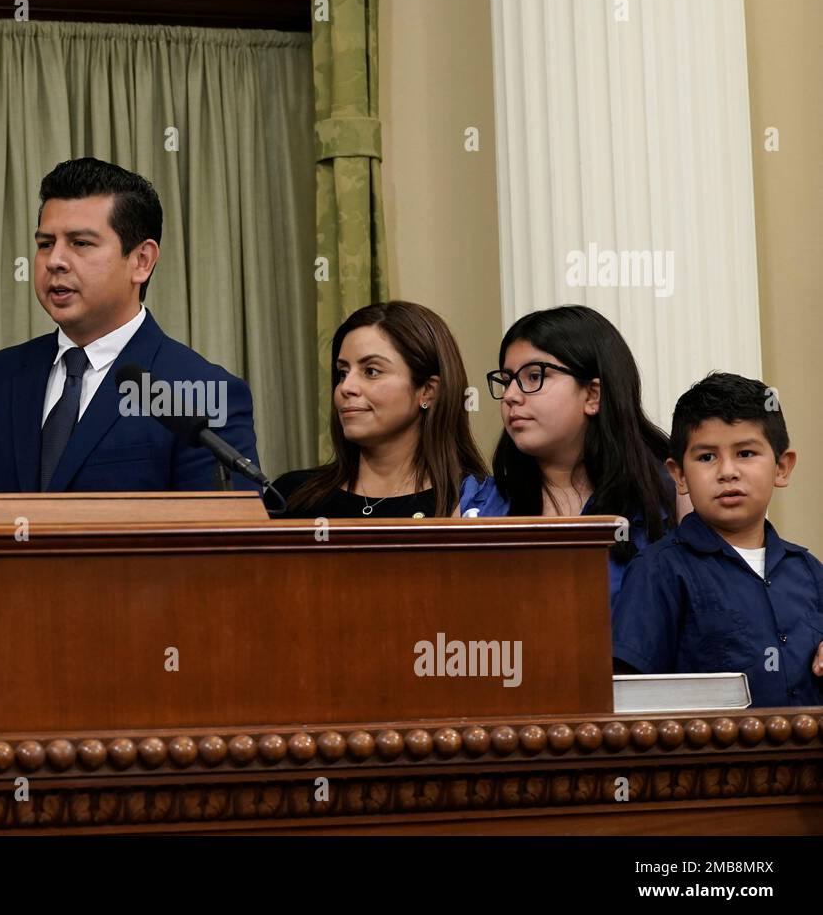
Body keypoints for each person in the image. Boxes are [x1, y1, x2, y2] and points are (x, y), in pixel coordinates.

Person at [0, 157, 259, 522]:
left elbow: (215, 564)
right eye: (45, 243)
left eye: (80, 243)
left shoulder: (198, 393)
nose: (55, 261)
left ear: (141, 261)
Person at [611, 373, 823, 707]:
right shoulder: (659, 570)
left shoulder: (810, 572)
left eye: (746, 453)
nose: (727, 471)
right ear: (679, 475)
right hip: (707, 757)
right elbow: (628, 697)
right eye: (706, 457)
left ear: (782, 467)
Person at [459, 305, 681, 601]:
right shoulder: (478, 504)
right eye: (507, 379)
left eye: (533, 376)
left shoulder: (670, 495)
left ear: (592, 394)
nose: (511, 395)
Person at [272, 301, 487, 519]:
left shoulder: (476, 502)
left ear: (427, 391)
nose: (346, 387)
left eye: (371, 371)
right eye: (343, 373)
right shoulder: (291, 495)